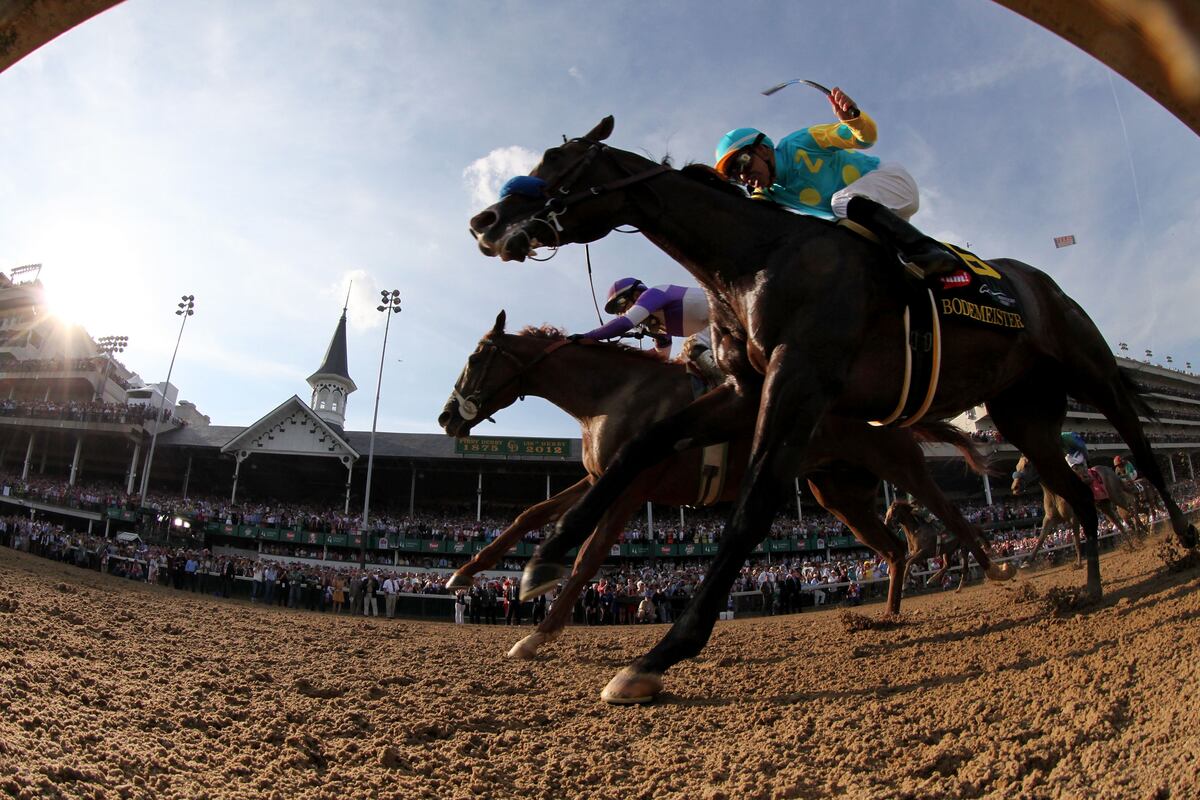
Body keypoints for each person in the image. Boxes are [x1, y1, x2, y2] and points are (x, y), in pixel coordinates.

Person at [714, 86, 957, 277]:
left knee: (840, 204)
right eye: (734, 174)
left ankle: (927, 250)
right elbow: (749, 220)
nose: (743, 175)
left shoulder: (800, 143)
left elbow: (865, 139)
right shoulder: (768, 194)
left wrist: (852, 119)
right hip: (872, 219)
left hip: (892, 183)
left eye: (743, 162)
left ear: (764, 149)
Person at [574, 278, 724, 386]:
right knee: (680, 365)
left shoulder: (653, 294)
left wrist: (588, 336)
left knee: (692, 346)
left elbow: (625, 322)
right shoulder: (657, 324)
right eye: (618, 312)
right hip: (716, 328)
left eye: (621, 304)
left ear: (636, 294)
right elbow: (662, 357)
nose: (622, 312)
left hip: (725, 314)